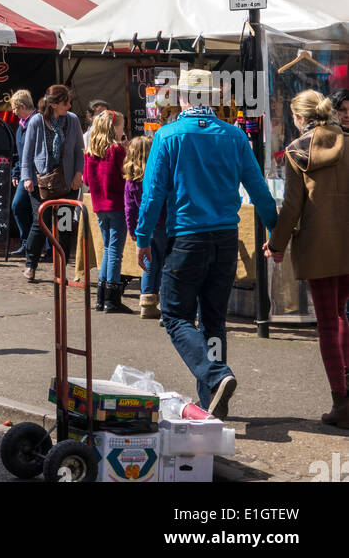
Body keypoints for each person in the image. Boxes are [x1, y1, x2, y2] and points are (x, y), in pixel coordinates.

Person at [135, 67, 278, 418]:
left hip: (188, 238)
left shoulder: (168, 136)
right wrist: (276, 233)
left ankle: (215, 377)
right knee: (213, 320)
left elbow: (153, 195)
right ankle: (212, 400)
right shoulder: (233, 136)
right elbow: (260, 191)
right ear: (213, 98)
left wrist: (142, 238)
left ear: (182, 97)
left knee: (174, 316)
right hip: (225, 239)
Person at [264, 91, 349, 427]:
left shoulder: (297, 150)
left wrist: (277, 243)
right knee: (342, 315)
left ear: (300, 117)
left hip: (319, 247)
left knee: (329, 321)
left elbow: (291, 208)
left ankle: (341, 402)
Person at [20, 85, 84, 284]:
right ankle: (31, 264)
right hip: (42, 183)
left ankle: (61, 268)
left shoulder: (72, 121)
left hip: (66, 183)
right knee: (41, 224)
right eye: (65, 103)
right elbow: (27, 152)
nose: (69, 106)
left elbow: (79, 150)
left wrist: (78, 174)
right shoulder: (37, 121)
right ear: (54, 104)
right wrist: (27, 177)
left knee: (64, 226)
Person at [84, 109, 129, 313]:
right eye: (121, 127)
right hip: (117, 204)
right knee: (114, 252)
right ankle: (112, 298)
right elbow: (126, 176)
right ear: (114, 128)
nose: (123, 130)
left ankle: (101, 297)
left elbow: (86, 179)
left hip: (100, 205)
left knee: (107, 250)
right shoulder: (117, 150)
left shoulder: (90, 152)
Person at [123, 134, 165, 319]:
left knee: (148, 265)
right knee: (165, 265)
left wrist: (132, 230)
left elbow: (129, 208)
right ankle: (166, 303)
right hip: (162, 225)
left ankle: (147, 302)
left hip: (144, 228)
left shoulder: (130, 181)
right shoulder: (158, 178)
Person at [9, 90, 37, 257]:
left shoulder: (36, 121)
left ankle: (47, 248)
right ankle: (27, 243)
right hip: (25, 175)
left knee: (40, 213)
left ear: (22, 106)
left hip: (37, 175)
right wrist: (16, 172)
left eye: (14, 108)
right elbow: (20, 154)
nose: (13, 112)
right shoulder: (21, 126)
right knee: (18, 206)